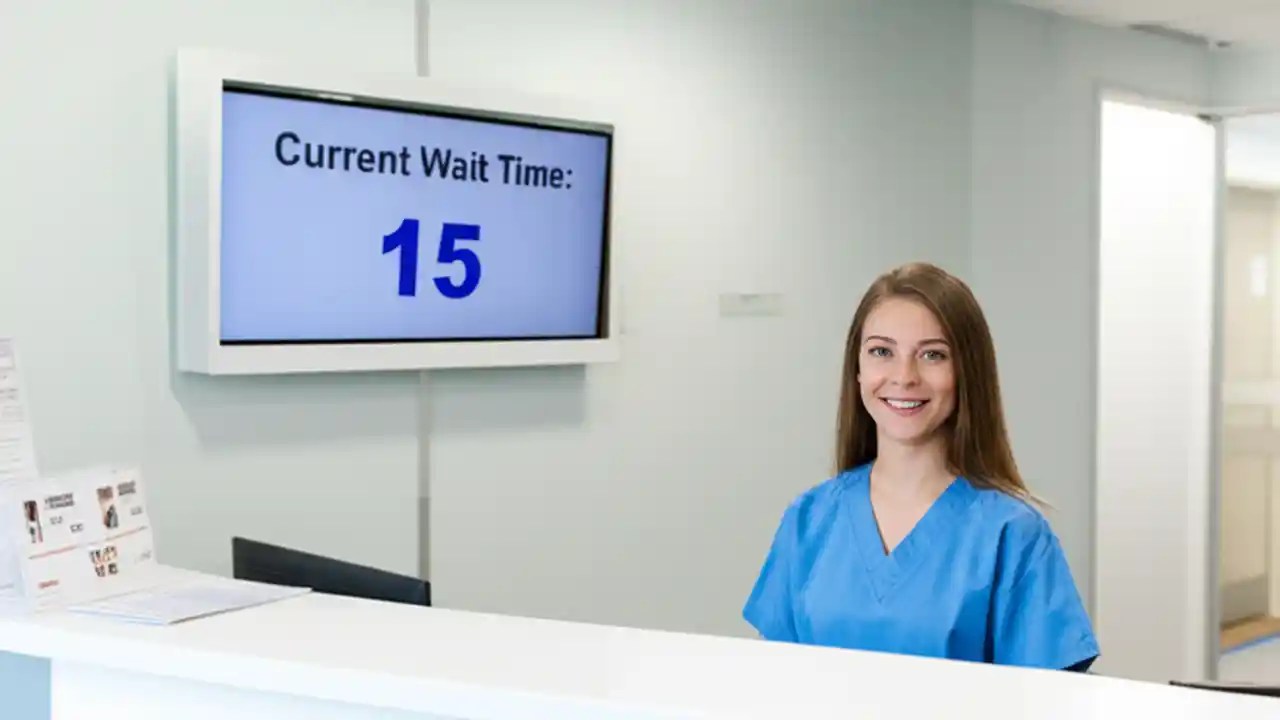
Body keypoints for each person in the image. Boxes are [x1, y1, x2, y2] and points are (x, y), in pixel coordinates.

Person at [742, 262, 1099, 672]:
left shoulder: (1012, 537)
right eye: (882, 352)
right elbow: (773, 688)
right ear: (857, 370)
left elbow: (1050, 706)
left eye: (933, 355)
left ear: (966, 372)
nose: (904, 376)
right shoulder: (809, 520)